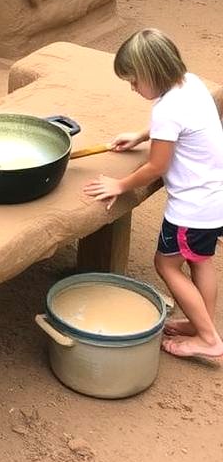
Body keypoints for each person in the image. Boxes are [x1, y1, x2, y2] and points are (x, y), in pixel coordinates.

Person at [84, 29, 223, 360]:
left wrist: (120, 184)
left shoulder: (167, 110)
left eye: (134, 81)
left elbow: (157, 166)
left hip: (192, 207)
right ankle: (201, 322)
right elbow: (172, 129)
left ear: (152, 73)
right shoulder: (190, 82)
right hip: (214, 197)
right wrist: (140, 135)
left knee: (167, 265)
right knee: (201, 262)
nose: (133, 88)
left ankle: (208, 339)